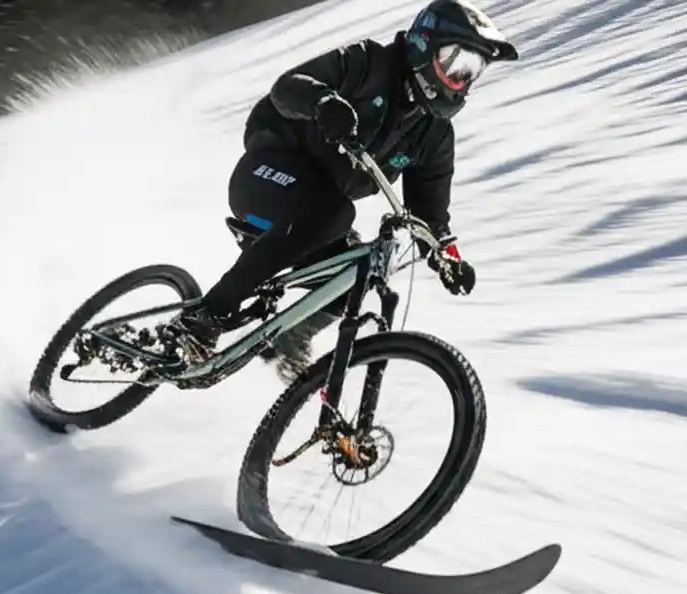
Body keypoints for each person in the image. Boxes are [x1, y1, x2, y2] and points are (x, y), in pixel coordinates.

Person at [174, 0, 518, 382]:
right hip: (264, 178)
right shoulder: (369, 64)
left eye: (471, 72)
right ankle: (207, 313)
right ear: (424, 44)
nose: (460, 80)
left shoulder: (433, 135)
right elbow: (287, 88)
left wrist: (445, 255)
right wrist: (323, 103)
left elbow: (429, 215)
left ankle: (293, 340)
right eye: (455, 62)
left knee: (359, 266)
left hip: (314, 218)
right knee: (335, 212)